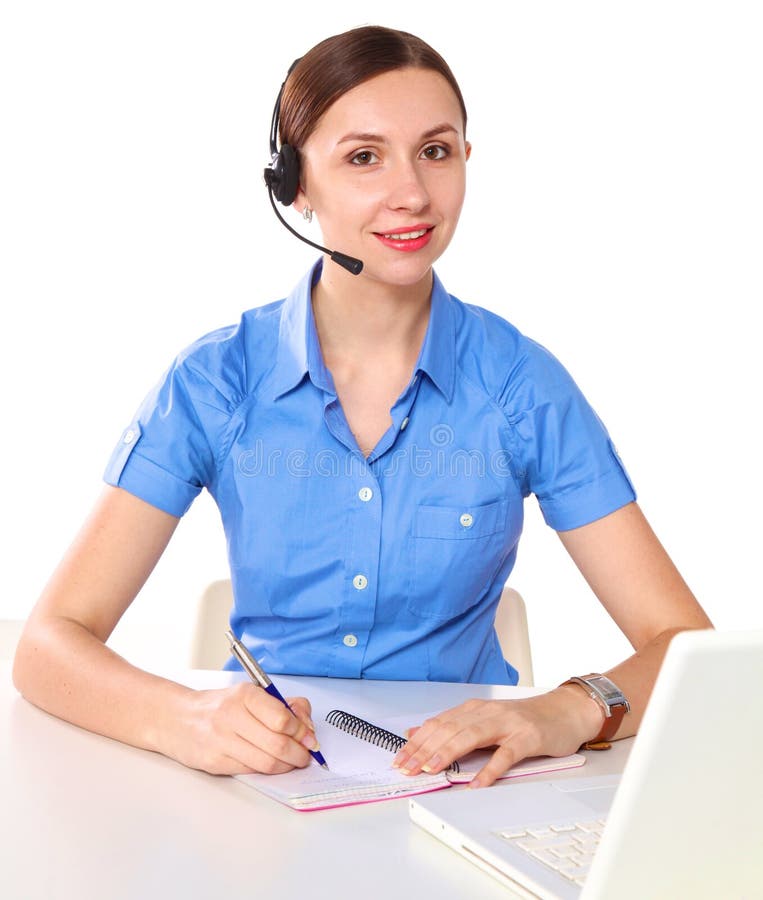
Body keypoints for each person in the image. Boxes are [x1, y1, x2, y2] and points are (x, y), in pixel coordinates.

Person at [13, 24, 712, 787]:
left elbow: (682, 643)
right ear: (296, 185)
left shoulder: (522, 384)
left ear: (466, 161)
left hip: (463, 785)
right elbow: (48, 645)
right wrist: (184, 719)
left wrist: (564, 710)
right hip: (261, 781)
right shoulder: (215, 381)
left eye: (435, 151)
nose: (411, 192)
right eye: (362, 157)